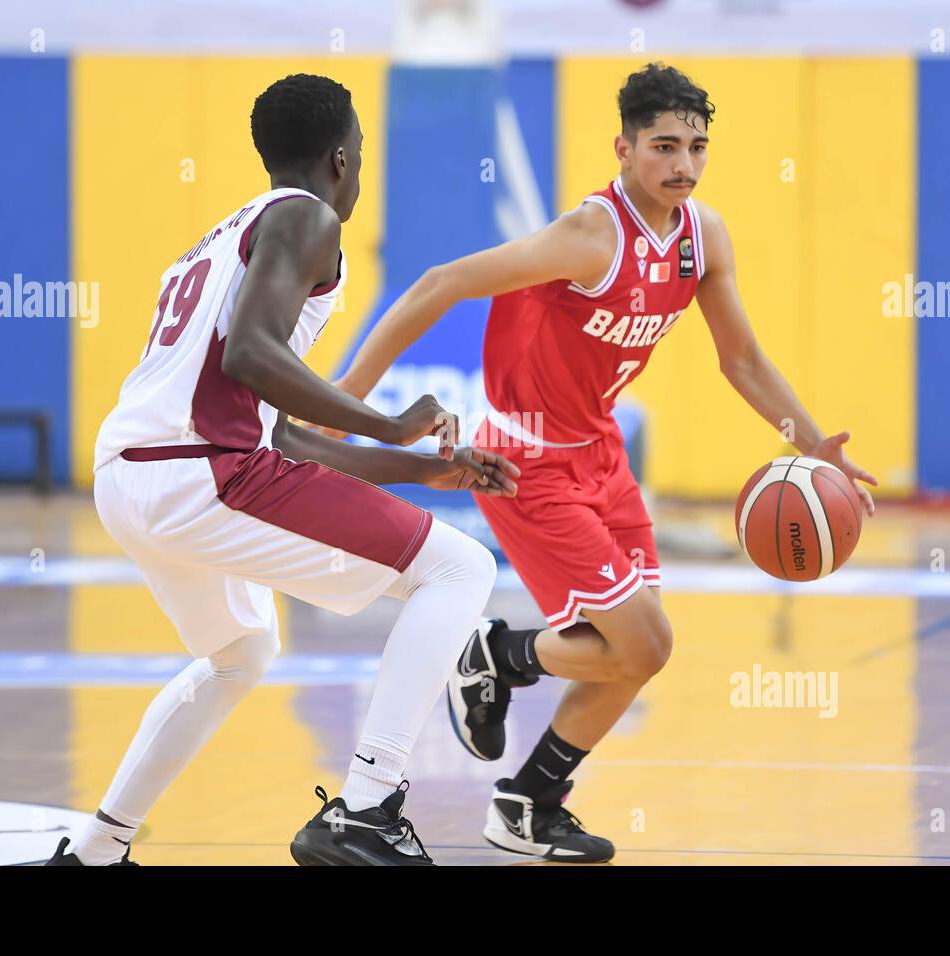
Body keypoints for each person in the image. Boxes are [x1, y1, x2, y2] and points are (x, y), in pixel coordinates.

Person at [332, 63, 878, 862]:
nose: (683, 165)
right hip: (527, 463)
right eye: (664, 146)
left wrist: (808, 438)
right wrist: (346, 402)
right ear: (624, 149)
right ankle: (494, 654)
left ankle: (528, 803)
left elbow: (743, 360)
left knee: (628, 659)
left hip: (600, 453)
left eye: (696, 147)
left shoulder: (702, 236)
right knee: (647, 643)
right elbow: (441, 282)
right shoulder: (589, 236)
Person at [46, 72, 519, 868]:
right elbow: (252, 356)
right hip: (203, 474)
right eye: (362, 154)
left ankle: (96, 847)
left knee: (242, 654)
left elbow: (281, 431)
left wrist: (412, 465)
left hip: (132, 474)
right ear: (341, 159)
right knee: (460, 569)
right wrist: (390, 419)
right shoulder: (310, 218)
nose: (361, 171)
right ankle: (367, 809)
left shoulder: (224, 235)